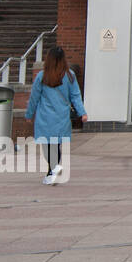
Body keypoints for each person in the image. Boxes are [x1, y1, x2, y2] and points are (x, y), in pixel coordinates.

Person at [26, 46, 87, 184]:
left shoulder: (42, 76)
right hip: (62, 117)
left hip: (45, 117)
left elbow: (34, 97)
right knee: (56, 145)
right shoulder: (70, 75)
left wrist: (29, 114)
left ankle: (53, 169)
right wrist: (82, 112)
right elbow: (75, 96)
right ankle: (52, 171)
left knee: (47, 146)